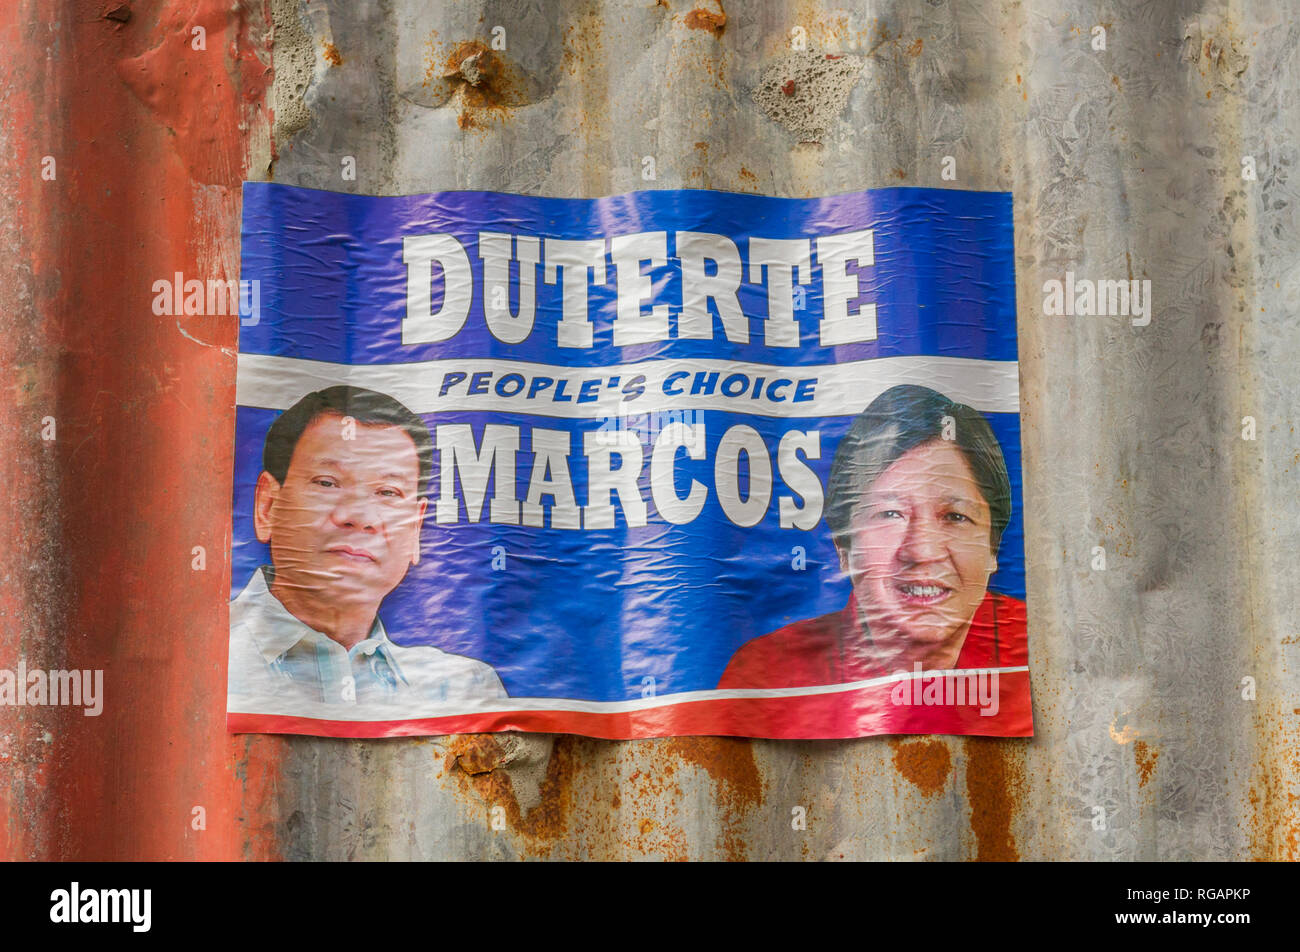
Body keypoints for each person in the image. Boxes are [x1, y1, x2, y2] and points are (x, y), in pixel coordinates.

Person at [717, 384, 1026, 689]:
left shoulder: (1042, 647)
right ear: (843, 548)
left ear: (992, 549)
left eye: (956, 517)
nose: (922, 550)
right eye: (890, 514)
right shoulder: (768, 674)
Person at [228, 385, 505, 714]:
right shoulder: (193, 656)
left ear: (415, 530)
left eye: (388, 492)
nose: (359, 517)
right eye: (327, 482)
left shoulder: (463, 691)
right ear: (268, 506)